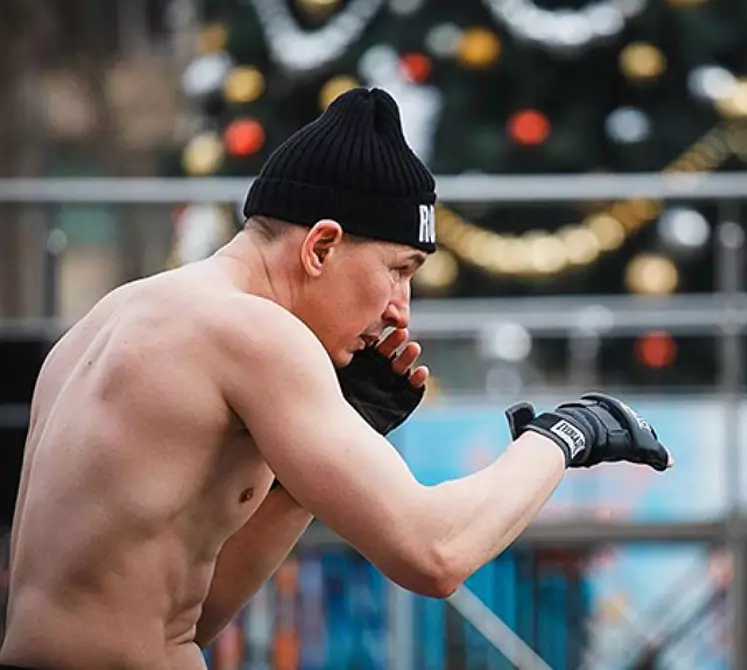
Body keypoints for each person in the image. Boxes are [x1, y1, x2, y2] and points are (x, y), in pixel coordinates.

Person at [0, 87, 673, 670]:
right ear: (321, 246)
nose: (398, 310)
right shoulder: (254, 335)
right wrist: (563, 436)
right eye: (400, 270)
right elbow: (434, 554)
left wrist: (298, 486)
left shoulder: (115, 314)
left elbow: (181, 615)